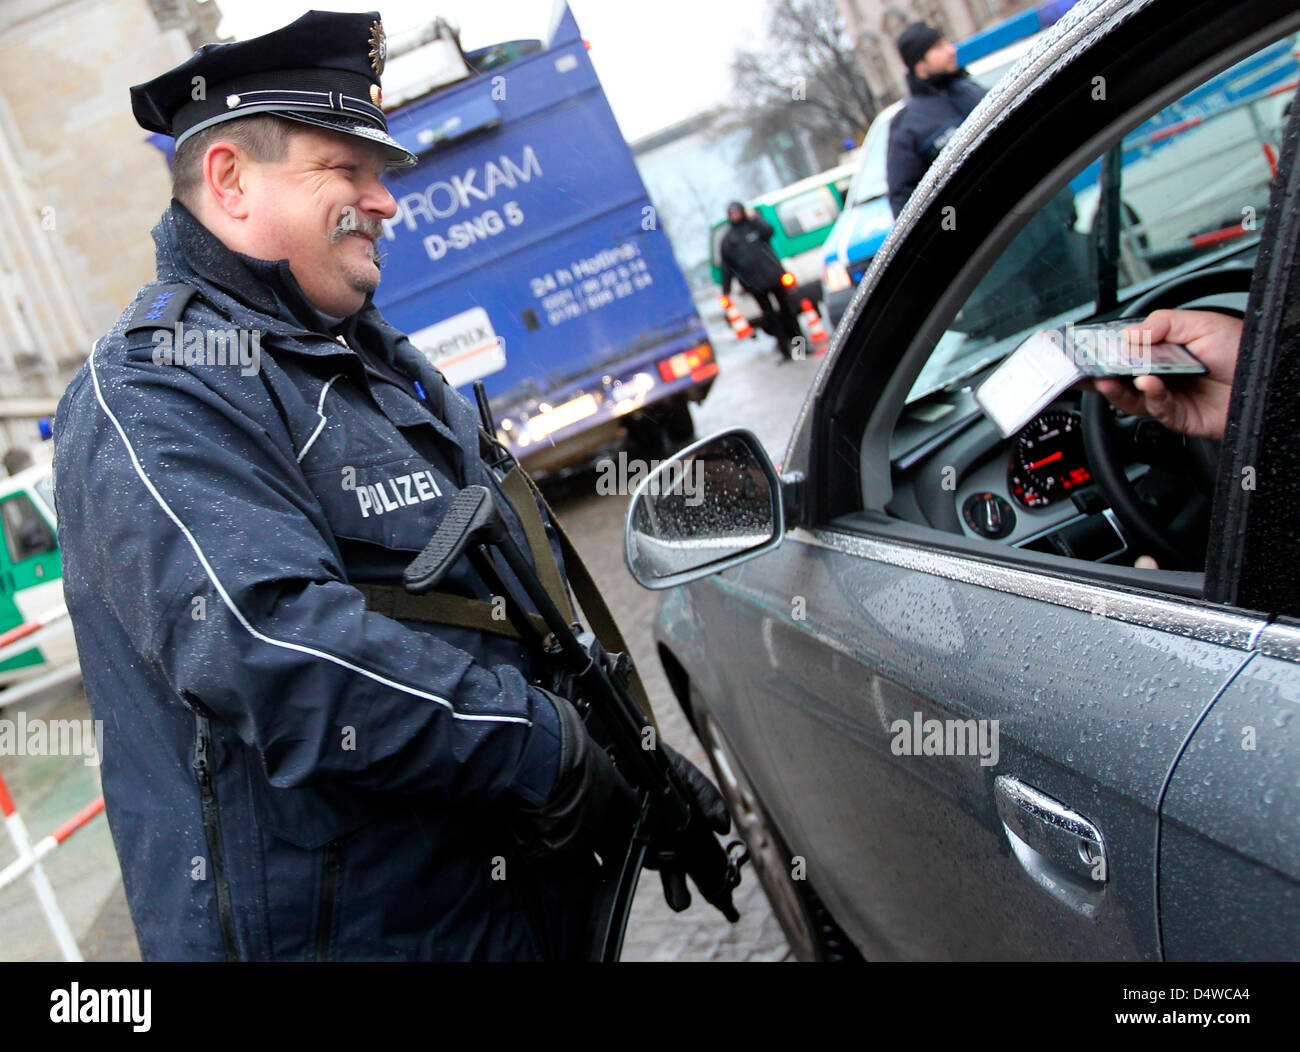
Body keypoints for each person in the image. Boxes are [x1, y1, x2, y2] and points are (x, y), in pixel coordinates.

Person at [51, 10, 725, 962]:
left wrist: (637, 762)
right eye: (346, 171)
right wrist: (546, 749)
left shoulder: (361, 363)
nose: (388, 200)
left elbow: (495, 607)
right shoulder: (156, 388)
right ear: (231, 180)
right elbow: (270, 647)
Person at [886, 22, 988, 218]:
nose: (951, 50)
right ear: (920, 66)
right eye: (938, 47)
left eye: (947, 43)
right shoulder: (908, 125)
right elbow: (905, 201)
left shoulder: (971, 91)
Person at [718, 201, 803, 361]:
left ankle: (801, 349)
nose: (735, 215)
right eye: (732, 213)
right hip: (755, 286)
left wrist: (755, 218)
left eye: (737, 212)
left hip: (774, 278)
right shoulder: (728, 240)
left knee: (789, 312)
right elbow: (726, 267)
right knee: (771, 319)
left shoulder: (755, 227)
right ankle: (785, 352)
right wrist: (726, 291)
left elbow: (769, 231)